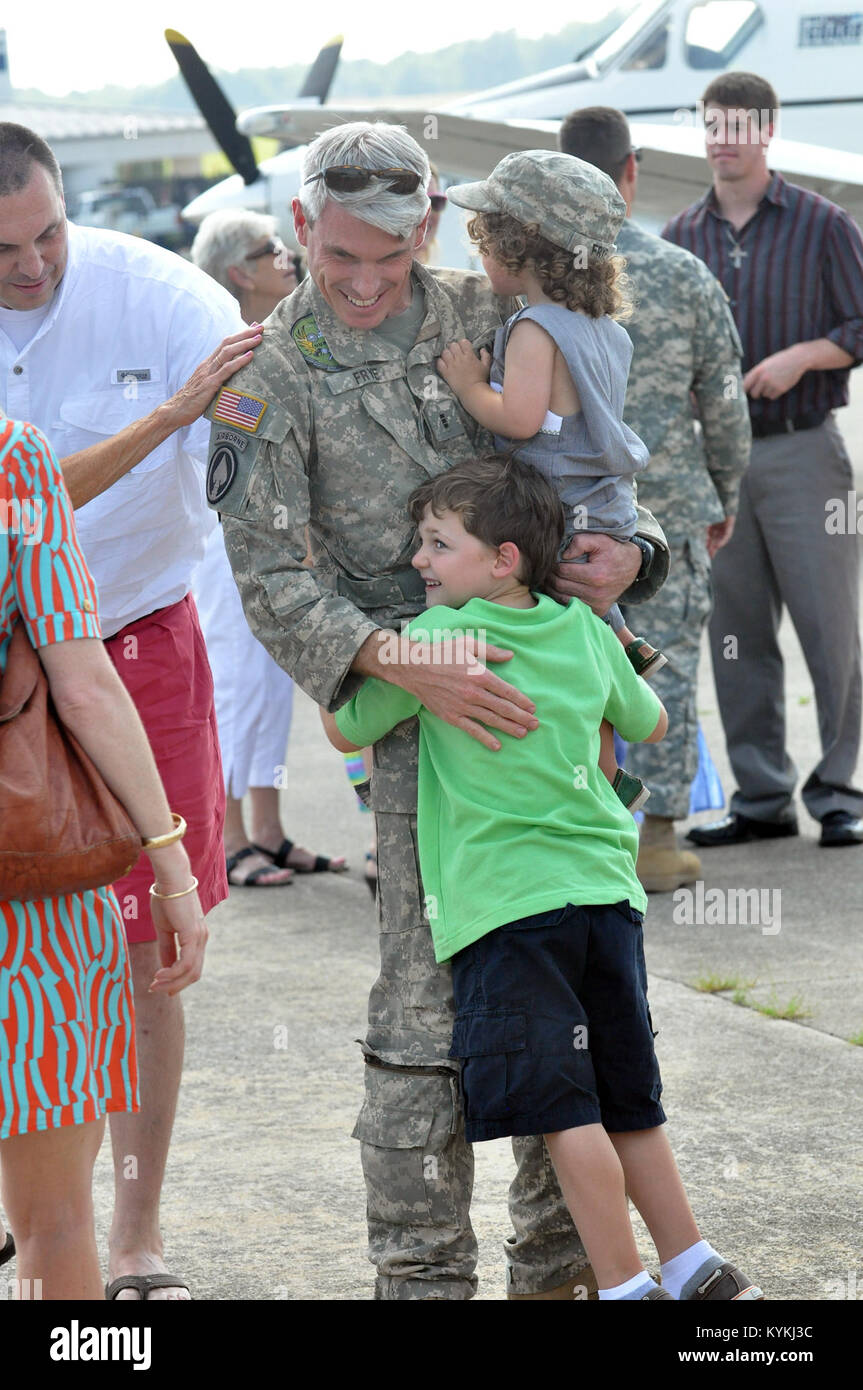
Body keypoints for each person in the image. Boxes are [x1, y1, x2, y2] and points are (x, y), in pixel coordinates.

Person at [205, 120, 671, 1301]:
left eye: (392, 257)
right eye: (339, 257)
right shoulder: (267, 374)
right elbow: (267, 573)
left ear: (427, 230)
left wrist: (632, 555)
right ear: (299, 228)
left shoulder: (497, 317)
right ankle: (420, 1280)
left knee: (569, 992)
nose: (365, 285)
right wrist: (384, 657)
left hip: (551, 724)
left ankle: (560, 1270)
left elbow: (611, 466)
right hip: (411, 728)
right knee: (426, 1013)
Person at [323, 454, 764, 1302]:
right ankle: (693, 1265)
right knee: (629, 1096)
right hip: (605, 893)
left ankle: (624, 1286)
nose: (420, 560)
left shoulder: (432, 643)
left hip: (507, 909)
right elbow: (652, 716)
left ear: (501, 561)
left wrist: (356, 649)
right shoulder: (584, 631)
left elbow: (347, 728)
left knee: (564, 1110)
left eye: (437, 544)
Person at [0, 122, 256, 1300]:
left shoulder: (165, 295)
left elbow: (265, 462)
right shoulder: (16, 471)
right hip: (51, 661)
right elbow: (29, 489)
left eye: (47, 231)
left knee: (150, 956)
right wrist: (153, 427)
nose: (32, 263)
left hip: (132, 642)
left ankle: (134, 1234)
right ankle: (55, 1233)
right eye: (2, 249)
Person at [0, 411, 207, 1300]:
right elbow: (85, 685)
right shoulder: (13, 455)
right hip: (27, 898)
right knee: (54, 1224)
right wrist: (172, 867)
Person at [662, 73, 863, 850]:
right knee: (735, 633)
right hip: (716, 465)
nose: (723, 140)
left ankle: (839, 790)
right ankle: (760, 795)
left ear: (767, 130)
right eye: (712, 125)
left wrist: (804, 358)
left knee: (827, 629)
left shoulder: (822, 224)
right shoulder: (682, 236)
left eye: (738, 127)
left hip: (801, 451)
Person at [558, 106, 751, 891]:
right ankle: (657, 841)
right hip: (663, 512)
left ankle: (575, 838)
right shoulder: (681, 272)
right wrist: (725, 490)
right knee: (660, 673)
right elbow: (727, 404)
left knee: (567, 669)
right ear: (630, 171)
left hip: (561, 519)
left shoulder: (541, 282)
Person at [437, 149, 661, 812]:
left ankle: (599, 771)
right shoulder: (604, 330)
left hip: (554, 504)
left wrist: (469, 383)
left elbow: (519, 418)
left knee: (567, 656)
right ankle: (625, 657)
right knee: (591, 643)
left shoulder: (533, 328)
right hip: (605, 506)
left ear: (517, 248)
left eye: (484, 241)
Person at [190, 209, 346, 886]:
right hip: (227, 534)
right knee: (233, 681)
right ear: (238, 271)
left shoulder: (278, 333)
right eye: (269, 250)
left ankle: (269, 830)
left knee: (275, 681)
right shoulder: (217, 340)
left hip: (282, 527)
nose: (287, 257)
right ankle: (225, 839)